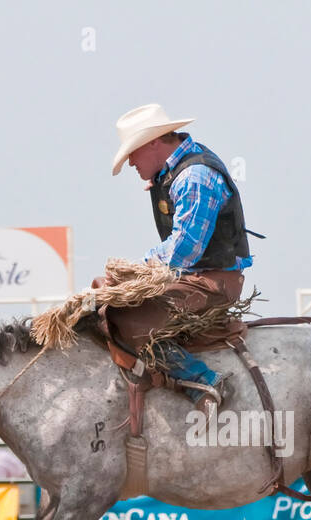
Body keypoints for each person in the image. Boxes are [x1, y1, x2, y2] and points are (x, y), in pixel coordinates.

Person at [102, 104, 254, 409]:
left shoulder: (192, 177)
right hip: (197, 277)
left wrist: (139, 269)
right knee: (102, 295)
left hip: (210, 282)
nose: (131, 161)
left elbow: (186, 250)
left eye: (133, 152)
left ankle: (203, 381)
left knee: (125, 317)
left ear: (153, 143)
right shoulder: (178, 171)